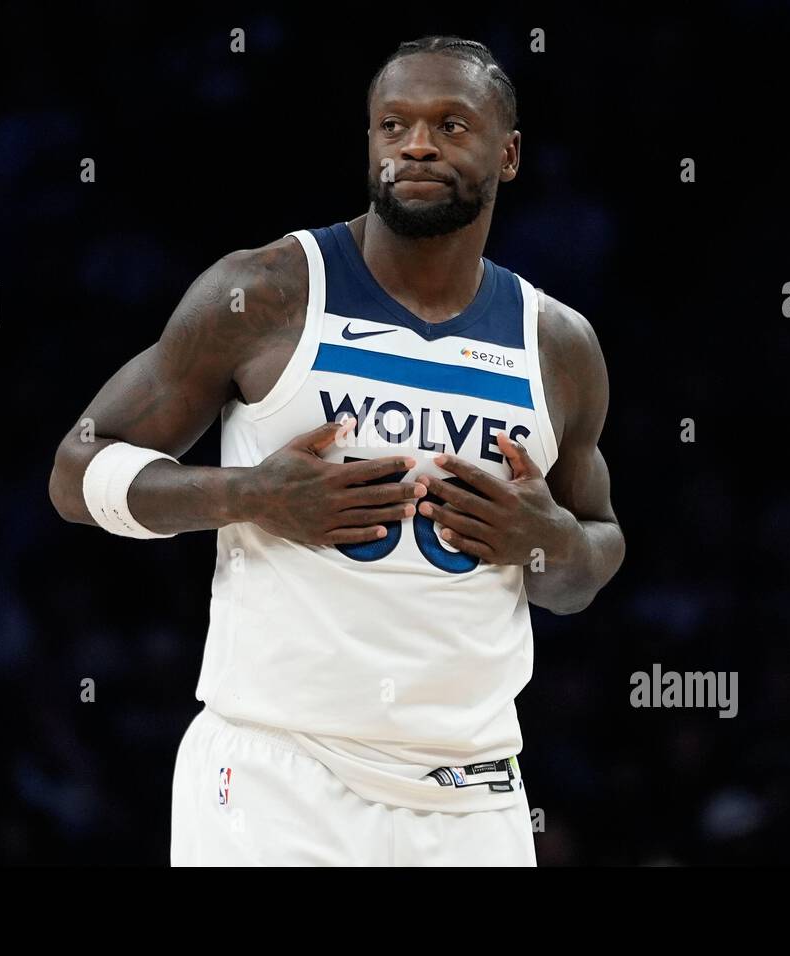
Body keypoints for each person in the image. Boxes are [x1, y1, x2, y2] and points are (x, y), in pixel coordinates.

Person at [48, 35, 625, 865]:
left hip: (471, 793)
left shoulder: (557, 344)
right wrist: (249, 496)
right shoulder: (269, 292)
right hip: (277, 776)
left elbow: (592, 558)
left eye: (450, 125)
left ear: (509, 154)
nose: (415, 145)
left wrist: (550, 542)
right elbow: (76, 473)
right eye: (393, 124)